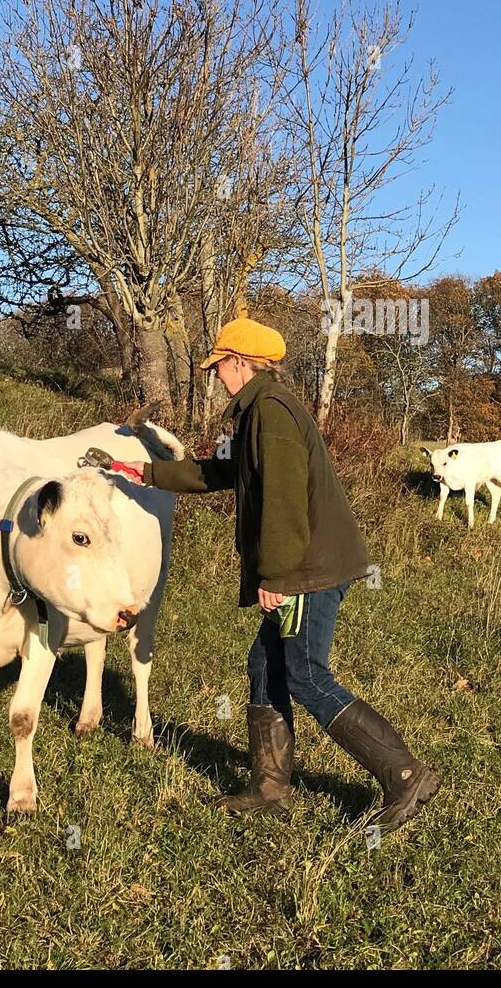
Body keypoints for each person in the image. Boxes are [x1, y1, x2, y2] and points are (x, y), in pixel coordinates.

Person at [88, 316, 441, 830]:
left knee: (304, 674)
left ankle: (404, 776)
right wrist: (143, 471)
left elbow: (283, 501)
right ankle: (271, 786)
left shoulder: (270, 412)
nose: (215, 376)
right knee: (264, 665)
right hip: (304, 563)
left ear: (239, 362)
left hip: (308, 567)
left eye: (218, 367)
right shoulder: (258, 411)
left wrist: (275, 578)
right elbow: (223, 471)